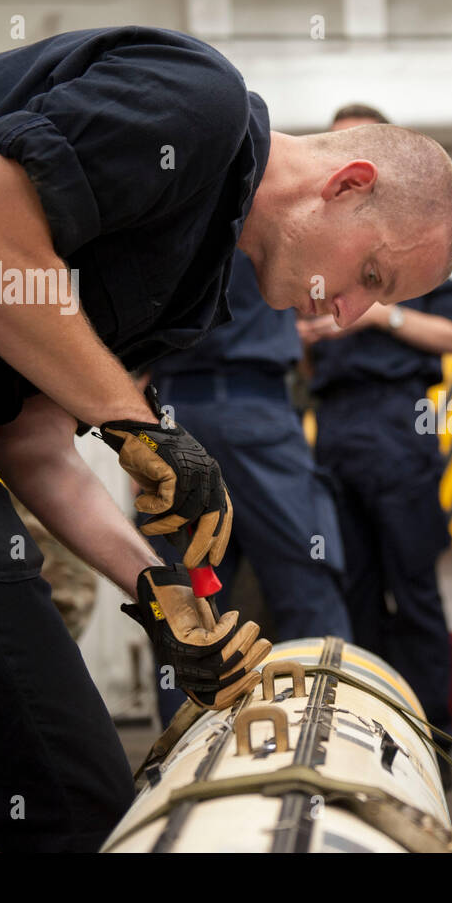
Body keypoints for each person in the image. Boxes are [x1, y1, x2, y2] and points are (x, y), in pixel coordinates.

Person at [0, 27, 452, 851]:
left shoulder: (190, 290)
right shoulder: (198, 100)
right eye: (371, 276)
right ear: (347, 185)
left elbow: (32, 442)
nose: (344, 313)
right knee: (62, 789)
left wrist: (167, 598)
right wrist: (137, 426)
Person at [299, 105, 452, 774]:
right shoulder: (316, 249)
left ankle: (436, 744)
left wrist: (375, 314)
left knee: (415, 591)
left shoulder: (422, 245)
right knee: (354, 594)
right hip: (335, 427)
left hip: (400, 424)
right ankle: (371, 746)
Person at [147, 254, 353, 724]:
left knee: (188, 591)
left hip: (171, 415)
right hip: (252, 407)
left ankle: (186, 751)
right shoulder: (257, 197)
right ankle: (326, 735)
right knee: (307, 576)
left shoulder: (166, 199)